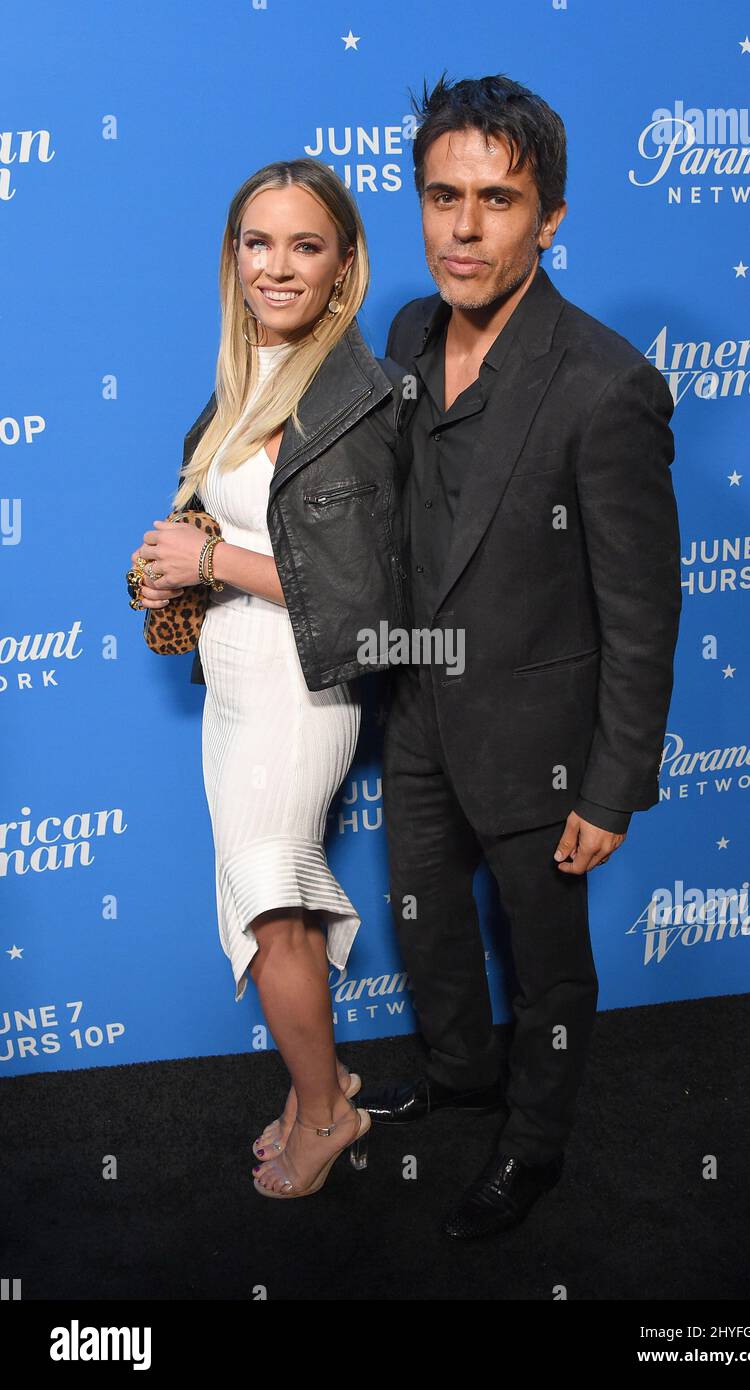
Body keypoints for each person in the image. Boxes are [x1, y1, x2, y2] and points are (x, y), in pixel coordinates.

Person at [357, 75, 683, 1238]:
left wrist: (611, 785)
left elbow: (643, 611)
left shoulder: (606, 385)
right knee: (428, 919)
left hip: (540, 742)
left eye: (498, 200)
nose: (464, 226)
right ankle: (458, 1072)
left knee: (548, 965)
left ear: (548, 217)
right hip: (418, 706)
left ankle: (532, 1144)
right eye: (444, 196)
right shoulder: (405, 329)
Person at [130, 160, 410, 1200]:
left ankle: (332, 1114)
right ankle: (318, 1078)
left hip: (302, 688)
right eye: (258, 242)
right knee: (264, 892)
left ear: (344, 268)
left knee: (268, 900)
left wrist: (211, 563)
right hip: (241, 674)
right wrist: (182, 553)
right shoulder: (253, 369)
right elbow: (257, 519)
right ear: (232, 257)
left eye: (305, 245)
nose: (276, 266)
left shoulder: (354, 396)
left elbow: (367, 602)